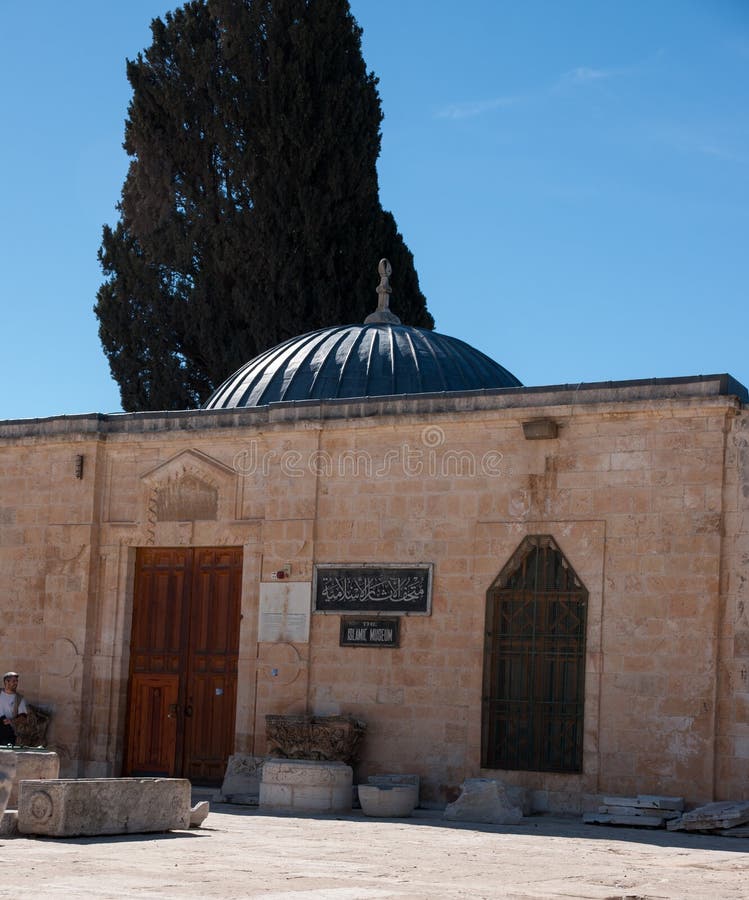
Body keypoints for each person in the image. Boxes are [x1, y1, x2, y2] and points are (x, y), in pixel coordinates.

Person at [0, 672, 28, 745]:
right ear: (6, 682)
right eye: (14, 681)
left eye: (16, 681)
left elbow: (23, 717)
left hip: (8, 730)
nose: (16, 683)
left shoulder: (19, 699)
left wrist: (11, 720)